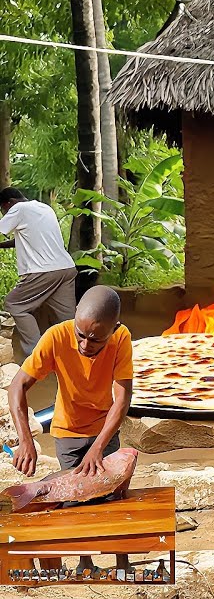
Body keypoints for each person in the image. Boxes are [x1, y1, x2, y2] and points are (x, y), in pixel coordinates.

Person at [7, 285, 132, 571]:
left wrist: (99, 447)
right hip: (67, 431)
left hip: (104, 429)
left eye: (96, 340)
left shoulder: (122, 339)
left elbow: (122, 400)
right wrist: (25, 440)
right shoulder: (56, 337)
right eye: (81, 335)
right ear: (75, 316)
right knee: (74, 500)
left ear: (115, 328)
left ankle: (123, 565)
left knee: (112, 498)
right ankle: (85, 563)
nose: (86, 345)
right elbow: (18, 385)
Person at [0, 187, 78, 362]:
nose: (5, 213)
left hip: (42, 272)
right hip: (65, 269)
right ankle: (77, 356)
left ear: (8, 203)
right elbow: (25, 238)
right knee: (67, 319)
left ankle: (37, 356)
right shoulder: (44, 208)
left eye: (3, 210)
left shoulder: (18, 209)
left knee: (15, 304)